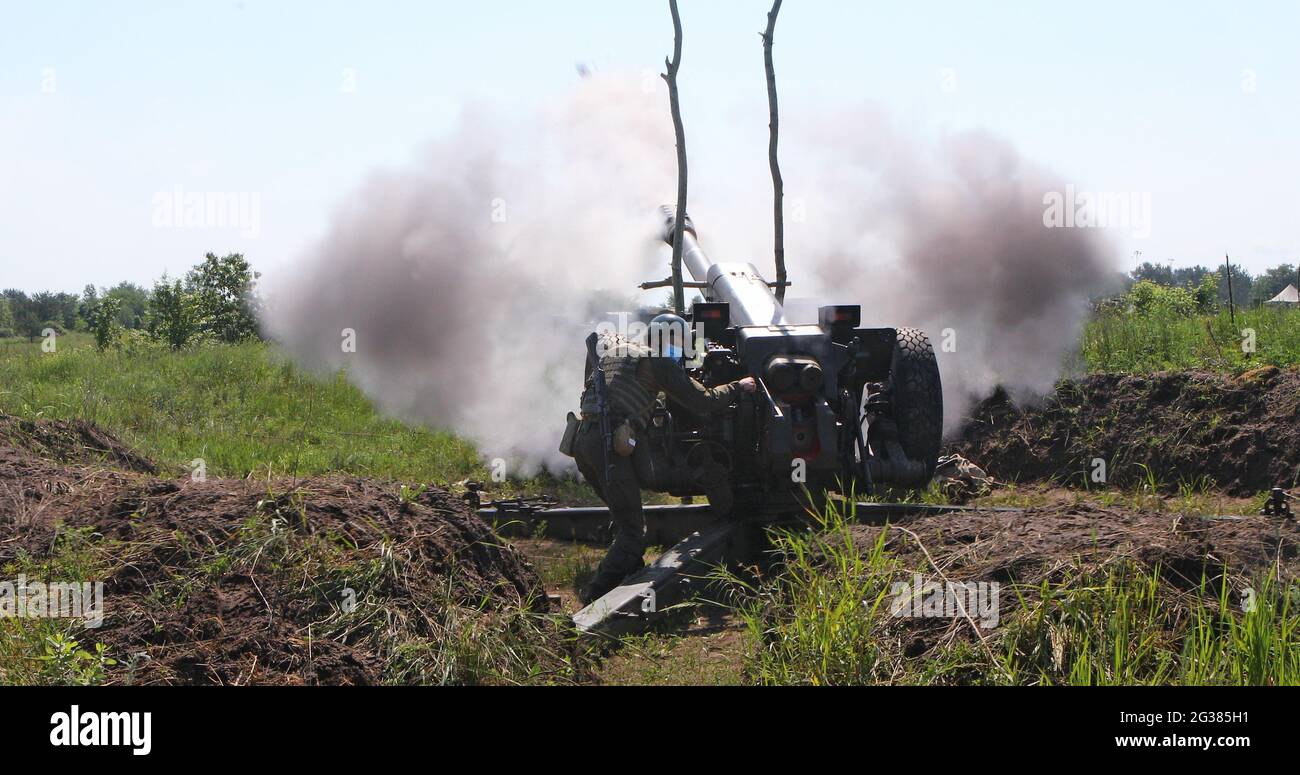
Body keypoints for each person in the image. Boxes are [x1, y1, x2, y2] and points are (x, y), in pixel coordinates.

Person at [571, 313, 756, 604]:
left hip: (583, 441)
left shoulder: (619, 353)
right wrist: (737, 387)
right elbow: (703, 401)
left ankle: (629, 568)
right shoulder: (658, 362)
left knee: (623, 515)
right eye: (676, 346)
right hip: (609, 446)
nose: (675, 353)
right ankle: (596, 596)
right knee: (634, 530)